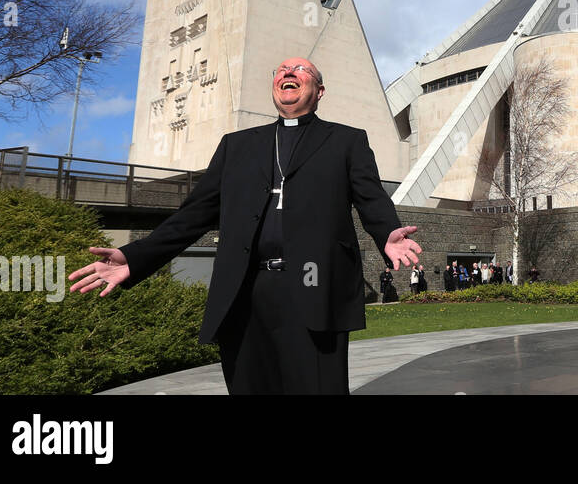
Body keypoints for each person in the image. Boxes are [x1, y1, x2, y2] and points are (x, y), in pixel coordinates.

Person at [68, 57, 422, 395]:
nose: (290, 72)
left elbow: (371, 196)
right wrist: (135, 257)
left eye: (301, 69)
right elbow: (194, 214)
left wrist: (386, 232)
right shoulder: (237, 146)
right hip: (246, 291)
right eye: (282, 69)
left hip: (314, 284)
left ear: (319, 90)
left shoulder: (346, 141)